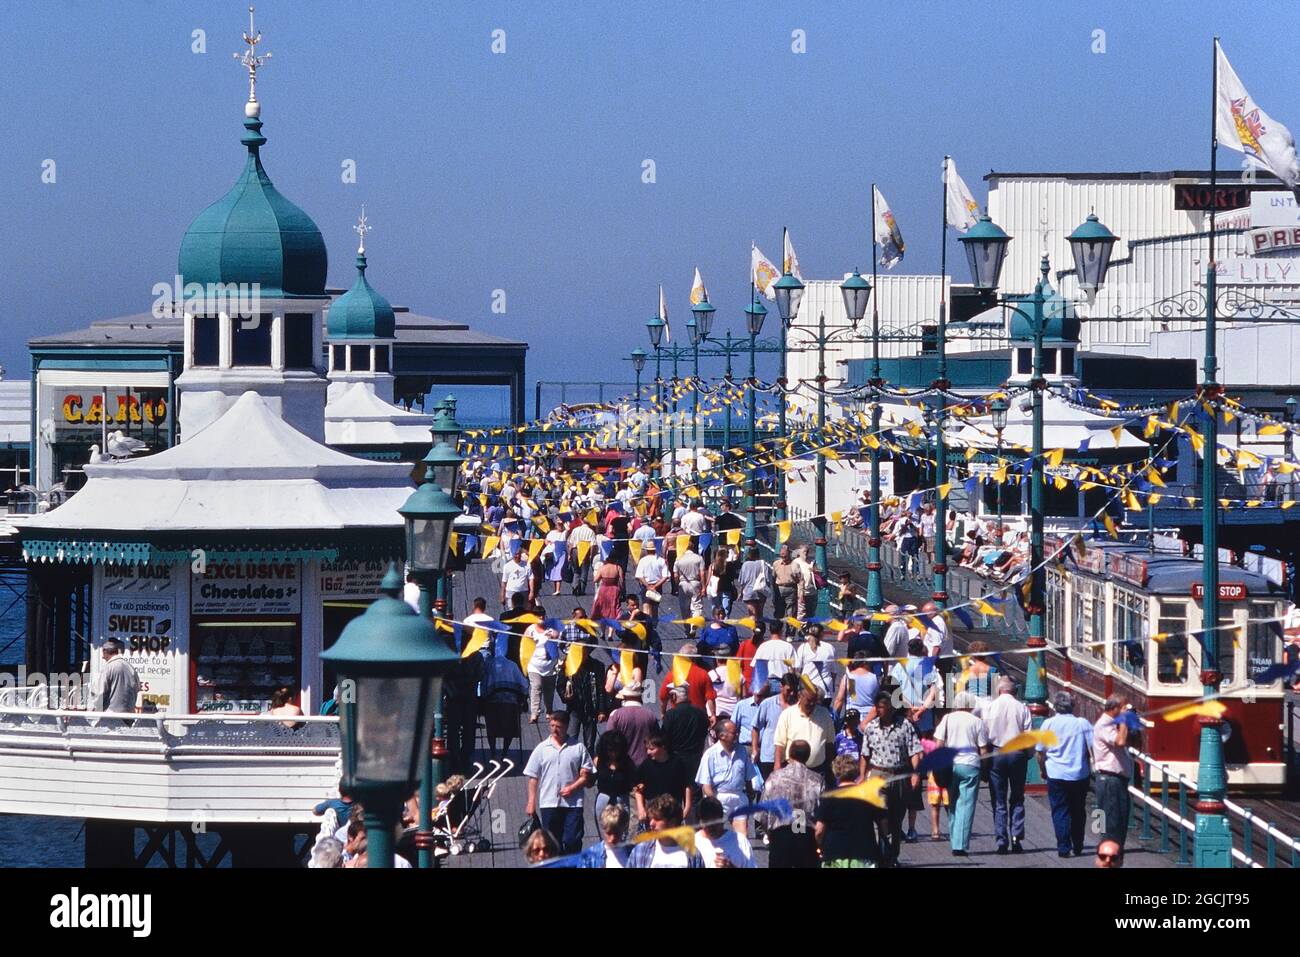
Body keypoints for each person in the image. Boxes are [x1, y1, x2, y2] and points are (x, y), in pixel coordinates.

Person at [861, 689, 923, 867]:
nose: (879, 710)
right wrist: (862, 777)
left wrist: (915, 774)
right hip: (878, 774)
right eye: (877, 707)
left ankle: (892, 855)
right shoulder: (871, 728)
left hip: (899, 774)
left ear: (890, 708)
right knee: (882, 817)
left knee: (897, 818)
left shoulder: (905, 725)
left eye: (882, 707)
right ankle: (882, 853)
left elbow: (915, 751)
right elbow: (865, 755)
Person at [523, 710, 595, 855]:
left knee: (572, 840)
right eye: (552, 726)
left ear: (567, 726)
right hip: (549, 803)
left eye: (558, 726)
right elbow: (533, 776)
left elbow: (586, 775)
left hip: (573, 804)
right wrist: (531, 802)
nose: (554, 729)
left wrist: (573, 788)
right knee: (551, 843)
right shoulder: (542, 749)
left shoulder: (578, 748)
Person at [1036, 692, 1095, 858]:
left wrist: (1043, 769)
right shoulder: (1082, 723)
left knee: (1060, 810)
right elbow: (1093, 748)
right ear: (1072, 705)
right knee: (1078, 810)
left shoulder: (1048, 724)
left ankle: (1063, 847)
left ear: (1055, 706)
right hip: (1079, 774)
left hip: (1055, 774)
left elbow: (1040, 753)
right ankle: (1078, 844)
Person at [932, 691, 989, 857]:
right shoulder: (977, 722)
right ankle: (960, 843)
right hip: (970, 764)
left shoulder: (947, 719)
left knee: (953, 802)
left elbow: (939, 744)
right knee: (966, 803)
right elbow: (983, 749)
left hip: (951, 764)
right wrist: (985, 769)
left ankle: (954, 837)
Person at [984, 676, 1032, 854]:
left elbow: (985, 733)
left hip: (997, 752)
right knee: (1017, 796)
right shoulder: (1022, 708)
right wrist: (1028, 755)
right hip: (1017, 753)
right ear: (1014, 691)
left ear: (999, 690)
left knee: (998, 798)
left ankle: (1001, 840)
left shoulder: (990, 707)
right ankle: (1016, 837)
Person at [758, 739, 824, 868]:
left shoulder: (775, 777)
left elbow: (763, 812)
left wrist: (769, 832)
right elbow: (822, 812)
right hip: (806, 835)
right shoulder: (817, 780)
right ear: (808, 756)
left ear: (790, 753)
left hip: (781, 834)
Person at [695, 719, 764, 834]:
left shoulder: (742, 751)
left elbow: (748, 777)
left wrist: (750, 794)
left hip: (739, 797)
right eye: (734, 732)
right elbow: (705, 786)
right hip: (717, 796)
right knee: (715, 836)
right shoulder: (710, 754)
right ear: (722, 736)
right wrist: (714, 802)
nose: (737, 734)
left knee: (742, 837)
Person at [815, 754, 881, 867]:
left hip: (835, 854)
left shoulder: (829, 797)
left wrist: (818, 845)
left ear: (836, 773)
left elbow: (819, 831)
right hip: (865, 853)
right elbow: (884, 823)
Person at [1093, 694, 1136, 851]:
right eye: (1124, 707)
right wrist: (1124, 720)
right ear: (1115, 708)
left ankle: (1112, 847)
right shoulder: (1104, 725)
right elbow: (1120, 741)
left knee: (1119, 816)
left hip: (1115, 779)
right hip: (1110, 779)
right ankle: (1108, 850)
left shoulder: (1111, 724)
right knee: (1111, 819)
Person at [774, 685, 837, 780]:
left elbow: (829, 743)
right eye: (809, 700)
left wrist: (830, 767)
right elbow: (779, 744)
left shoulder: (824, 714)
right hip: (793, 771)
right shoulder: (787, 714)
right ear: (800, 697)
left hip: (818, 770)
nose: (812, 704)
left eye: (814, 701)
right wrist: (777, 765)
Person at [634, 731, 694, 828]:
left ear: (663, 747)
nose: (648, 752)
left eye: (652, 749)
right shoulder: (646, 765)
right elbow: (638, 790)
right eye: (647, 749)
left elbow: (687, 786)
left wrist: (687, 807)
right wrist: (641, 809)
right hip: (652, 809)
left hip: (673, 808)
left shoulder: (678, 762)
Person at [627, 794, 705, 868]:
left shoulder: (693, 854)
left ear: (672, 822)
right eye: (650, 819)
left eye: (657, 819)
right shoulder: (641, 851)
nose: (651, 824)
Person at [661, 685, 711, 783]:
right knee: (695, 791)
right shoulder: (701, 713)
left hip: (675, 759)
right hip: (696, 759)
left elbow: (664, 737)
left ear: (674, 696)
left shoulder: (671, 714)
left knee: (676, 791)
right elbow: (704, 732)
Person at [752, 674, 799, 778]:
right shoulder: (768, 704)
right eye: (788, 690)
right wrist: (755, 749)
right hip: (769, 755)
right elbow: (755, 727)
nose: (791, 693)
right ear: (781, 687)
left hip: (789, 756)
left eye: (794, 690)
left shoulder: (797, 706)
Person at [657, 643, 717, 720]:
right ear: (694, 658)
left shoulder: (671, 675)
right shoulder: (703, 674)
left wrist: (663, 713)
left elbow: (663, 697)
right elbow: (710, 698)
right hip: (698, 717)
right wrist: (713, 715)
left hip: (678, 717)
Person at [592, 729, 636, 831]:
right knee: (603, 830)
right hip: (603, 799)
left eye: (616, 750)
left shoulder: (627, 763)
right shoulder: (598, 761)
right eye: (610, 750)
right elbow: (590, 781)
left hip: (622, 799)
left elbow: (633, 783)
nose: (613, 753)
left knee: (622, 831)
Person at [694, 796, 755, 868]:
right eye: (706, 822)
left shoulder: (740, 841)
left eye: (714, 821)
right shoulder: (693, 843)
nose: (711, 826)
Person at [607, 680, 658, 765]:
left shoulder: (616, 715)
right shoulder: (650, 715)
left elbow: (608, 741)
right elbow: (657, 739)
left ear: (624, 696)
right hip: (645, 764)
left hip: (622, 764)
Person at [524, 614, 560, 724]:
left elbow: (559, 641)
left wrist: (554, 637)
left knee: (549, 690)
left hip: (550, 666)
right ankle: (534, 713)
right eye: (538, 617)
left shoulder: (551, 629)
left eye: (542, 617)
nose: (541, 619)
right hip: (534, 665)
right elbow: (524, 644)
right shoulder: (530, 630)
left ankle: (549, 710)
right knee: (536, 687)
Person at [791, 624, 836, 704]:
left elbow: (797, 669)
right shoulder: (829, 648)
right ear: (822, 634)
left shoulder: (803, 647)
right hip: (825, 690)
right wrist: (832, 687)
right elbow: (833, 672)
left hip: (807, 689)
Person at [578, 803, 632, 868]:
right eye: (609, 833)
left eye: (617, 833)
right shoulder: (589, 857)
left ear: (623, 829)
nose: (612, 838)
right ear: (603, 830)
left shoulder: (633, 853)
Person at [96, 639, 140, 716]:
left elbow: (100, 692)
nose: (103, 657)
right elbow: (138, 688)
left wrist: (93, 708)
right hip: (129, 715)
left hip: (111, 715)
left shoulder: (109, 667)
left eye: (103, 653)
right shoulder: (130, 667)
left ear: (106, 652)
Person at [673, 539, 706, 634]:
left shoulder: (679, 559)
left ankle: (687, 628)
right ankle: (694, 623)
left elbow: (675, 575)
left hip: (683, 583)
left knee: (684, 607)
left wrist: (676, 585)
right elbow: (702, 573)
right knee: (697, 606)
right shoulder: (699, 558)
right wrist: (703, 587)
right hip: (695, 582)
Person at [737, 546, 772, 618]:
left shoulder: (745, 565)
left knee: (752, 615)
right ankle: (760, 627)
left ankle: (754, 628)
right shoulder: (763, 563)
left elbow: (742, 581)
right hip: (761, 592)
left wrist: (740, 593)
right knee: (760, 614)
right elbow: (767, 579)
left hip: (749, 591)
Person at [634, 540, 670, 608]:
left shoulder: (643, 560)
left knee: (646, 607)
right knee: (655, 608)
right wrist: (655, 586)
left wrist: (648, 586)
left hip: (645, 586)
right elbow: (665, 576)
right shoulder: (661, 560)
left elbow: (639, 576)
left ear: (647, 550)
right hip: (657, 586)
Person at [771, 544, 801, 623]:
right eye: (782, 556)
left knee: (791, 613)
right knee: (778, 612)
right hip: (779, 589)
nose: (783, 558)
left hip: (791, 589)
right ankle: (778, 630)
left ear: (789, 555)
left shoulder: (794, 565)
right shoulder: (776, 564)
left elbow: (799, 579)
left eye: (785, 556)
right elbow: (773, 577)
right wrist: (774, 592)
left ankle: (790, 633)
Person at [590, 555, 624, 622]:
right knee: (614, 607)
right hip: (614, 589)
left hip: (604, 589)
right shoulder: (618, 567)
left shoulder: (602, 568)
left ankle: (603, 630)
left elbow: (595, 580)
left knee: (603, 608)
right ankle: (611, 629)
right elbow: (622, 581)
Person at [499, 546, 534, 610]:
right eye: (515, 554)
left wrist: (531, 592)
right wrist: (502, 595)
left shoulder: (527, 565)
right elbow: (504, 582)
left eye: (518, 554)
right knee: (511, 610)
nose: (517, 556)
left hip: (523, 592)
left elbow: (531, 579)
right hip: (511, 592)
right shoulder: (507, 566)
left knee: (524, 611)